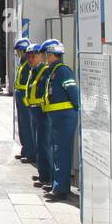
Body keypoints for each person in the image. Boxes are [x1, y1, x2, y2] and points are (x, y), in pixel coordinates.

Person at [39, 40, 79, 201]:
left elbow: (72, 91)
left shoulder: (62, 71)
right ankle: (57, 183)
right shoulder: (52, 70)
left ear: (51, 54)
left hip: (64, 117)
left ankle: (61, 188)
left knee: (62, 152)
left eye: (44, 54)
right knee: (57, 151)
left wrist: (77, 108)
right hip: (58, 118)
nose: (43, 57)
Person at [26, 42, 56, 190]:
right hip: (34, 111)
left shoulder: (45, 71)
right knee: (39, 144)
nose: (30, 59)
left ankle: (48, 178)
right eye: (29, 56)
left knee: (44, 145)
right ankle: (43, 174)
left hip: (43, 112)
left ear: (41, 56)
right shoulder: (34, 70)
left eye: (34, 56)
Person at [12, 39, 35, 162]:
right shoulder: (23, 62)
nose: (18, 53)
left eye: (19, 51)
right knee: (22, 125)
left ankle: (30, 153)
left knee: (27, 126)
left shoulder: (28, 64)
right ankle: (25, 149)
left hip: (25, 97)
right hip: (20, 96)